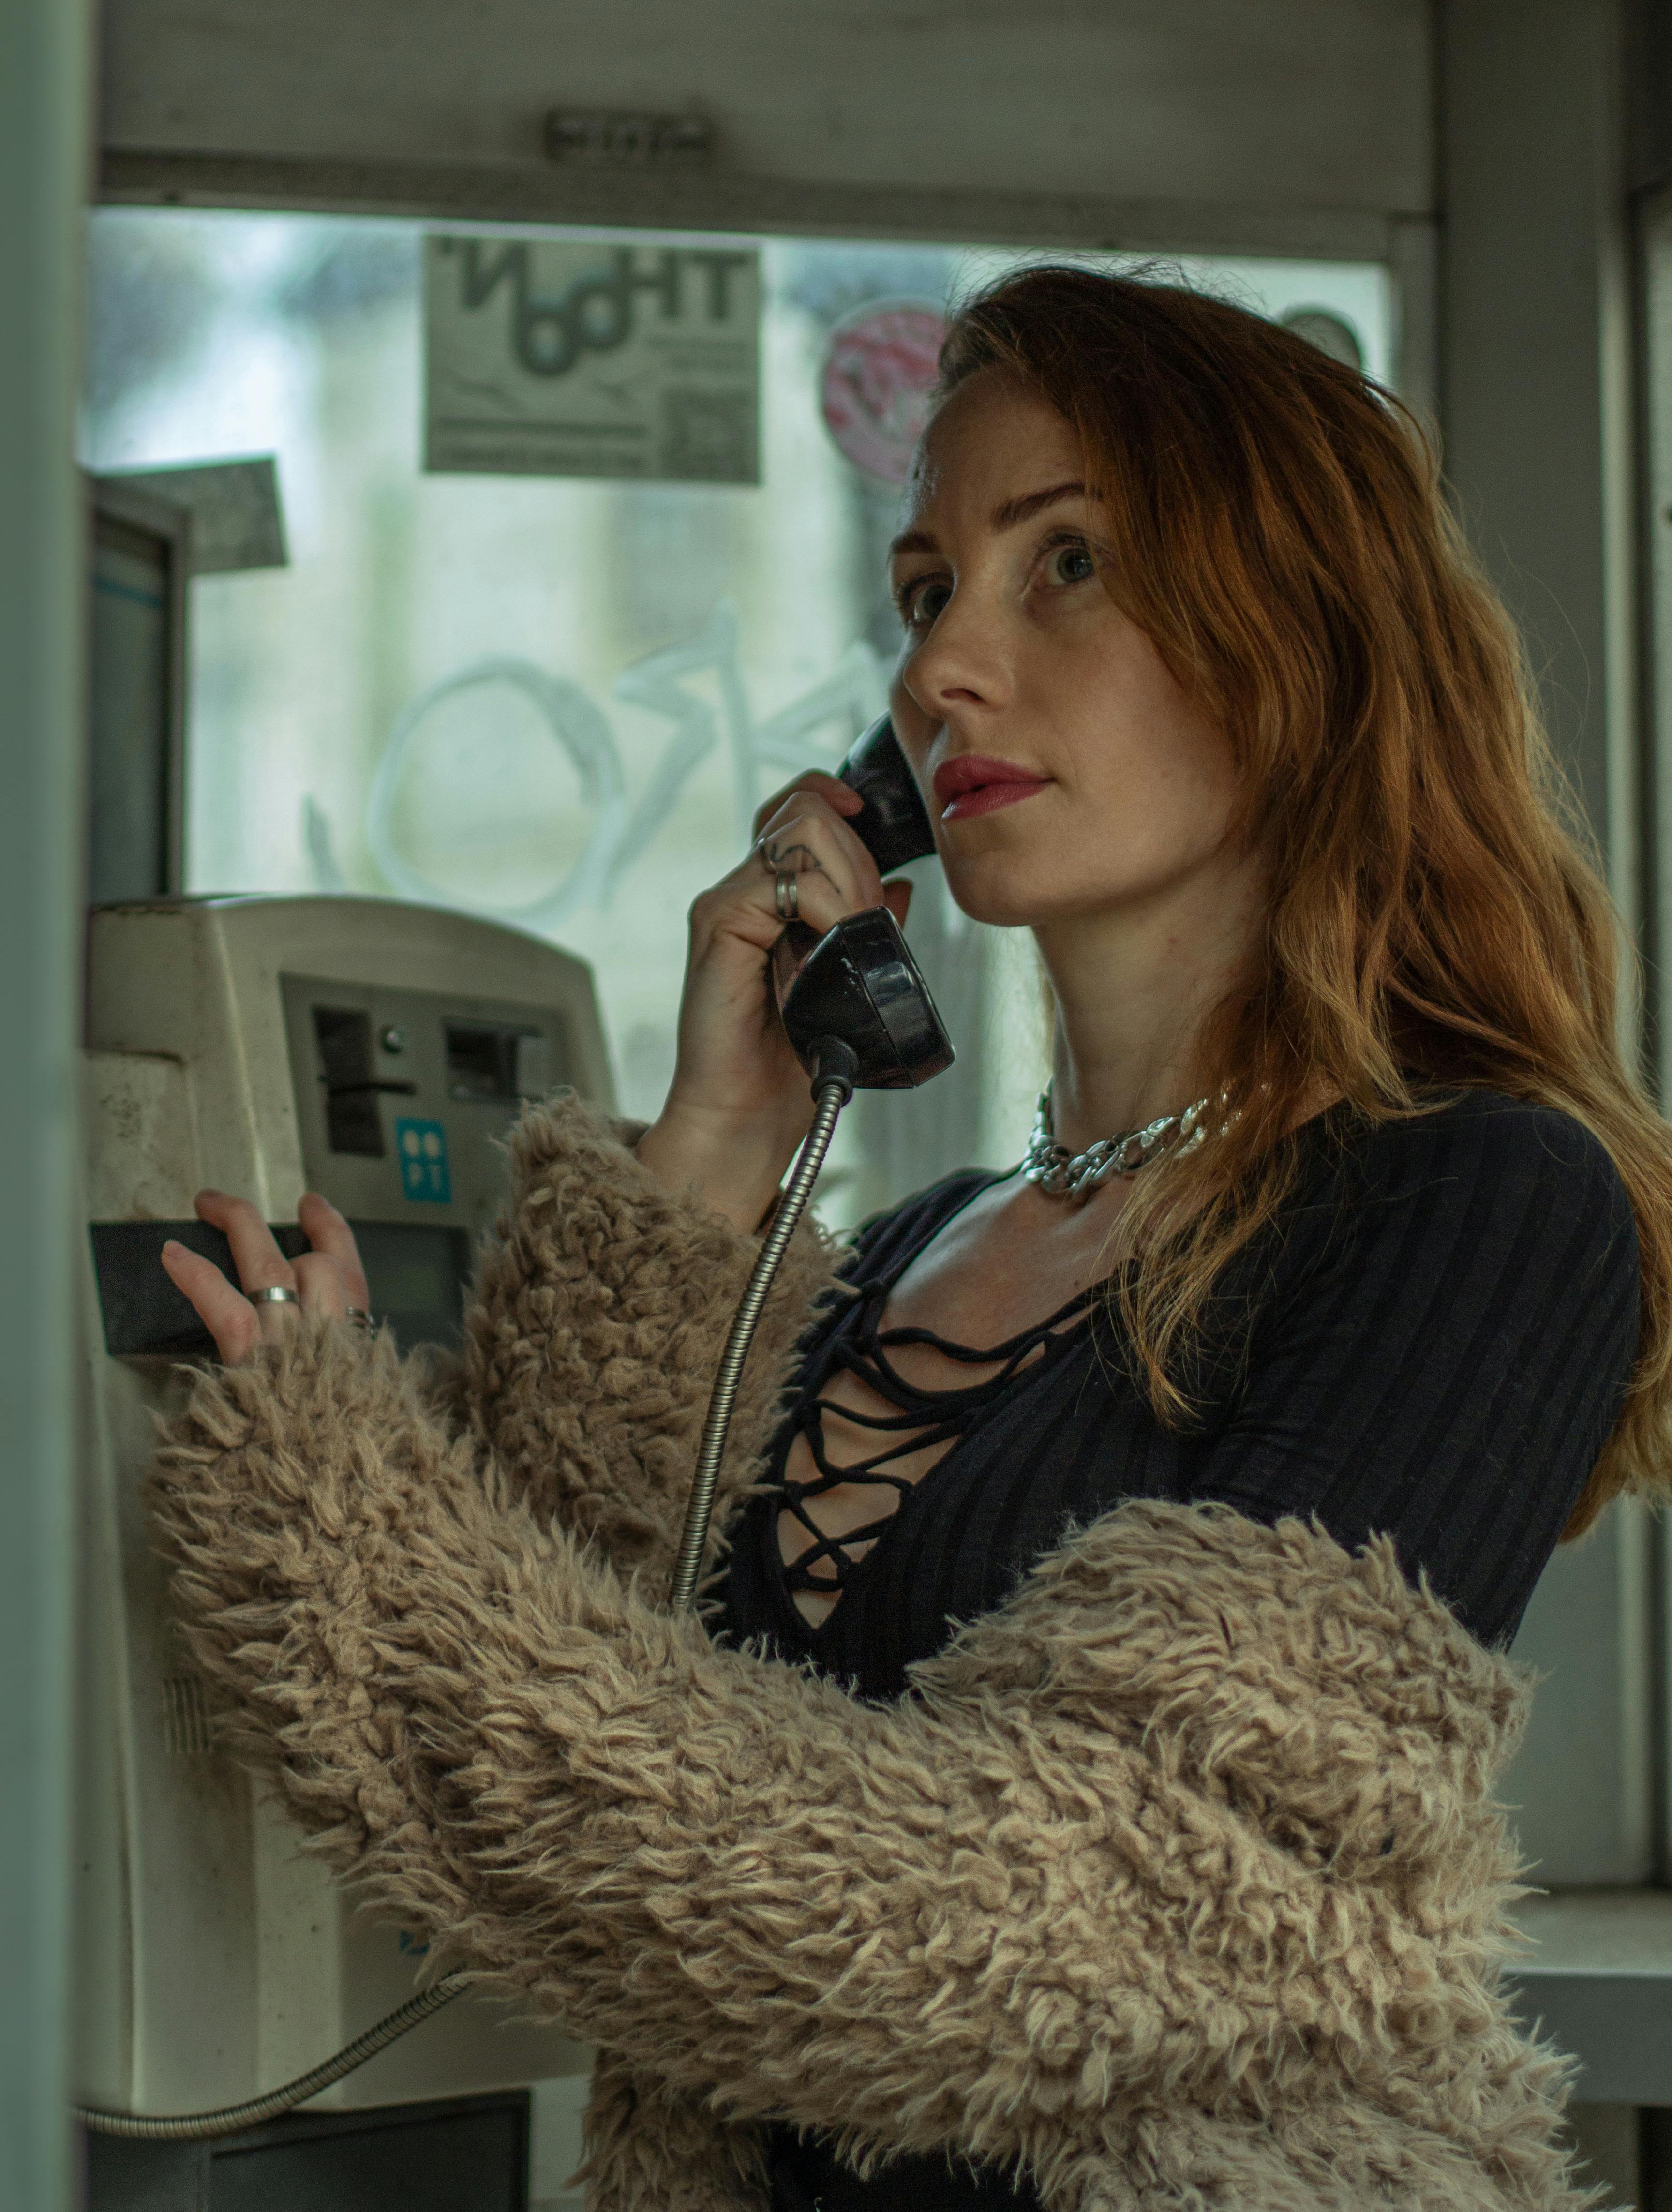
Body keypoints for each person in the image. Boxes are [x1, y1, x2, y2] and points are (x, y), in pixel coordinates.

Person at [151, 265, 1672, 2212]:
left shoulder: (1475, 1203)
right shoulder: (915, 1248)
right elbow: (544, 1733)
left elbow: (1073, 1928)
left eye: (1068, 565)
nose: (945, 665)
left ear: (1301, 642)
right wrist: (715, 1148)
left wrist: (339, 1515)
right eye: (928, 587)